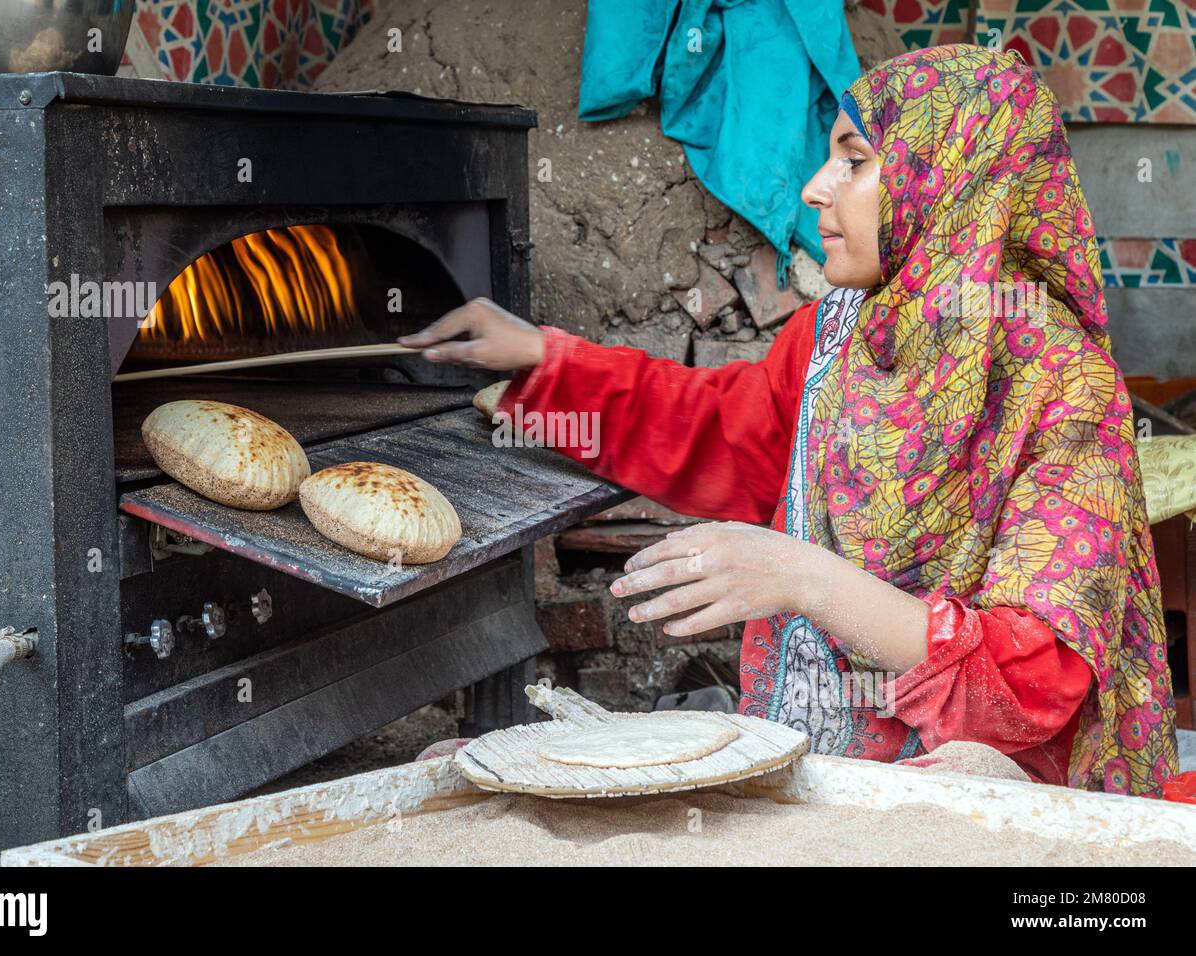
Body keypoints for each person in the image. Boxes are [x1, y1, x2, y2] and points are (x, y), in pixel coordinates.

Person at [401, 45, 1178, 797]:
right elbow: (718, 430)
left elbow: (1033, 680)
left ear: (950, 177)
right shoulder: (838, 333)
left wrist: (802, 578)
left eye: (854, 160)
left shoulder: (1064, 385)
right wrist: (544, 360)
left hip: (978, 783)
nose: (814, 188)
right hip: (815, 744)